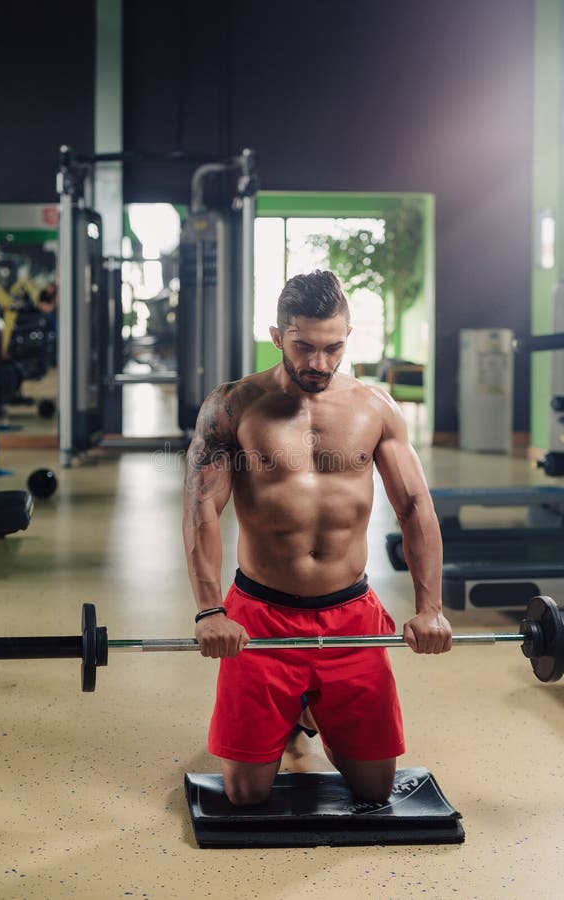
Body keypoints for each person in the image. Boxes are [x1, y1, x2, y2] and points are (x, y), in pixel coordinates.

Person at [182, 269, 452, 807]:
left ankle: (307, 706)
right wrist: (210, 611)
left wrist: (430, 607)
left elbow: (415, 505)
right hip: (261, 615)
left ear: (349, 335)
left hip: (349, 613)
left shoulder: (375, 408)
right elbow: (201, 507)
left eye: (333, 348)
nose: (319, 363)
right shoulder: (232, 405)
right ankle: (290, 713)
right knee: (244, 795)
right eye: (304, 346)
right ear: (277, 335)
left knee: (375, 790)